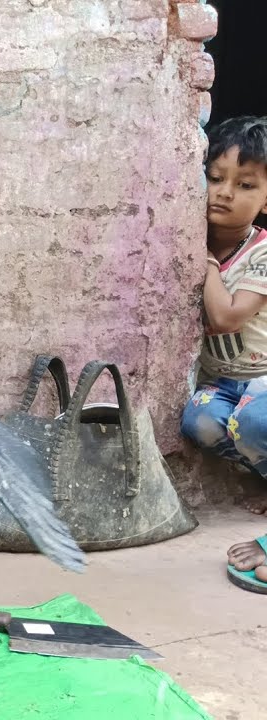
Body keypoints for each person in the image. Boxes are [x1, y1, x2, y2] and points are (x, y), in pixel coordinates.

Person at [176, 116, 267, 593]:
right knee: (200, 422)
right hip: (225, 382)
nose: (224, 192)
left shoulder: (262, 253)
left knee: (255, 422)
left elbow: (227, 317)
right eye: (215, 178)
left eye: (244, 184)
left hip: (264, 380)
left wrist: (207, 261)